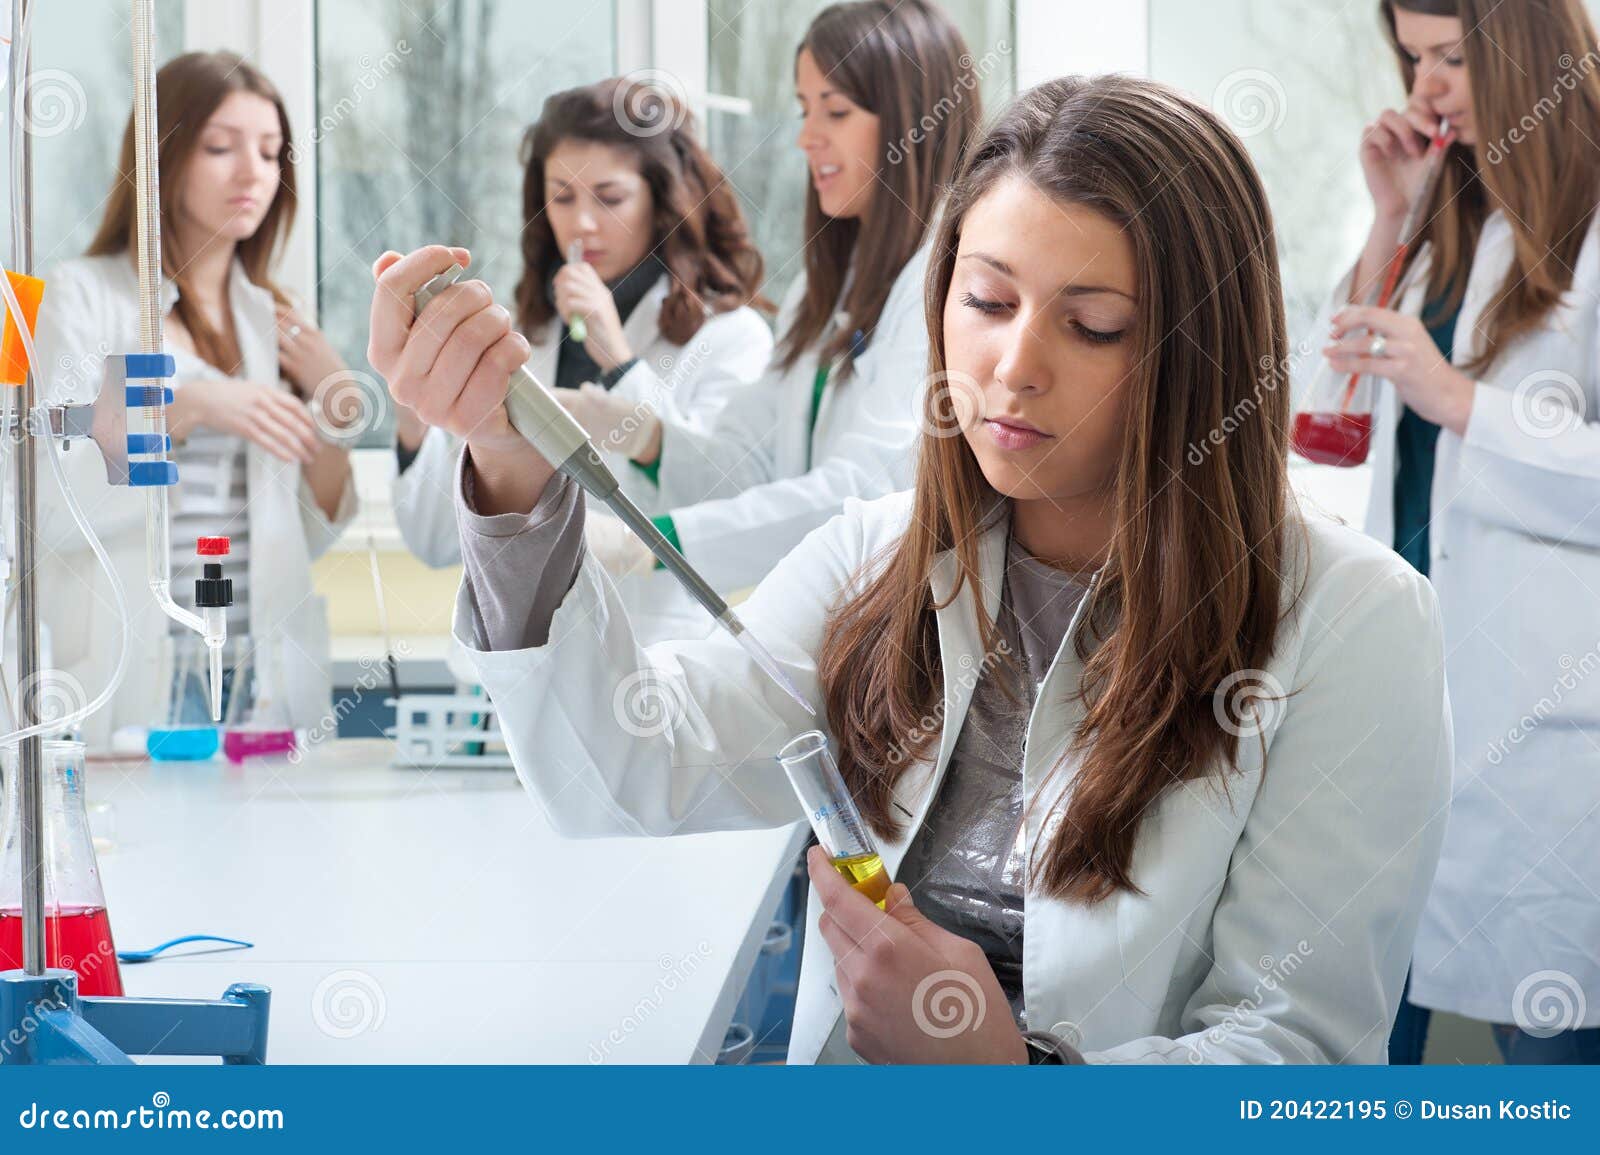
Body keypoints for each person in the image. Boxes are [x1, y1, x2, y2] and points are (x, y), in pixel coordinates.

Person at [370, 75, 1452, 1064]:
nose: (1014, 368)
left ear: (1201, 353)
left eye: (1093, 326)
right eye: (987, 302)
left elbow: (1296, 1053)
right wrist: (506, 455)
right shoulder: (880, 560)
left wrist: (1010, 1083)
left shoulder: (1354, 621)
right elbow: (623, 767)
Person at [1305, 0, 1600, 1064]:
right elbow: (1326, 412)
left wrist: (1463, 403)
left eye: (1449, 58)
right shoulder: (1448, 216)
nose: (1423, 88)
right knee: (1351, 1042)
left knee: (1552, 1068)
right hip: (1406, 691)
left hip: (1544, 720)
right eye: (1411, 59)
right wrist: (1391, 216)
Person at [551, 0, 981, 594]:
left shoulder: (950, 283)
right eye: (805, 110)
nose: (806, 137)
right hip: (828, 620)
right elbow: (746, 466)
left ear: (915, 120)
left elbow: (868, 493)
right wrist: (646, 437)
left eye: (835, 111)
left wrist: (648, 542)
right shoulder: (821, 293)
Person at [33, 52, 357, 744]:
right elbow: (52, 500)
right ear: (161, 158)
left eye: (269, 152)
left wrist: (334, 404)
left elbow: (311, 529)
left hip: (257, 673)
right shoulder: (82, 297)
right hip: (137, 662)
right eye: (220, 147)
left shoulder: (276, 320)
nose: (252, 173)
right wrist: (192, 407)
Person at [391, 76, 772, 636]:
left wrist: (619, 361)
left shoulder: (731, 336)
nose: (583, 223)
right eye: (562, 197)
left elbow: (727, 510)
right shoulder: (524, 333)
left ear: (661, 200)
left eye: (610, 198)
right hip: (517, 659)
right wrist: (411, 401)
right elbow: (435, 539)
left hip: (656, 654)